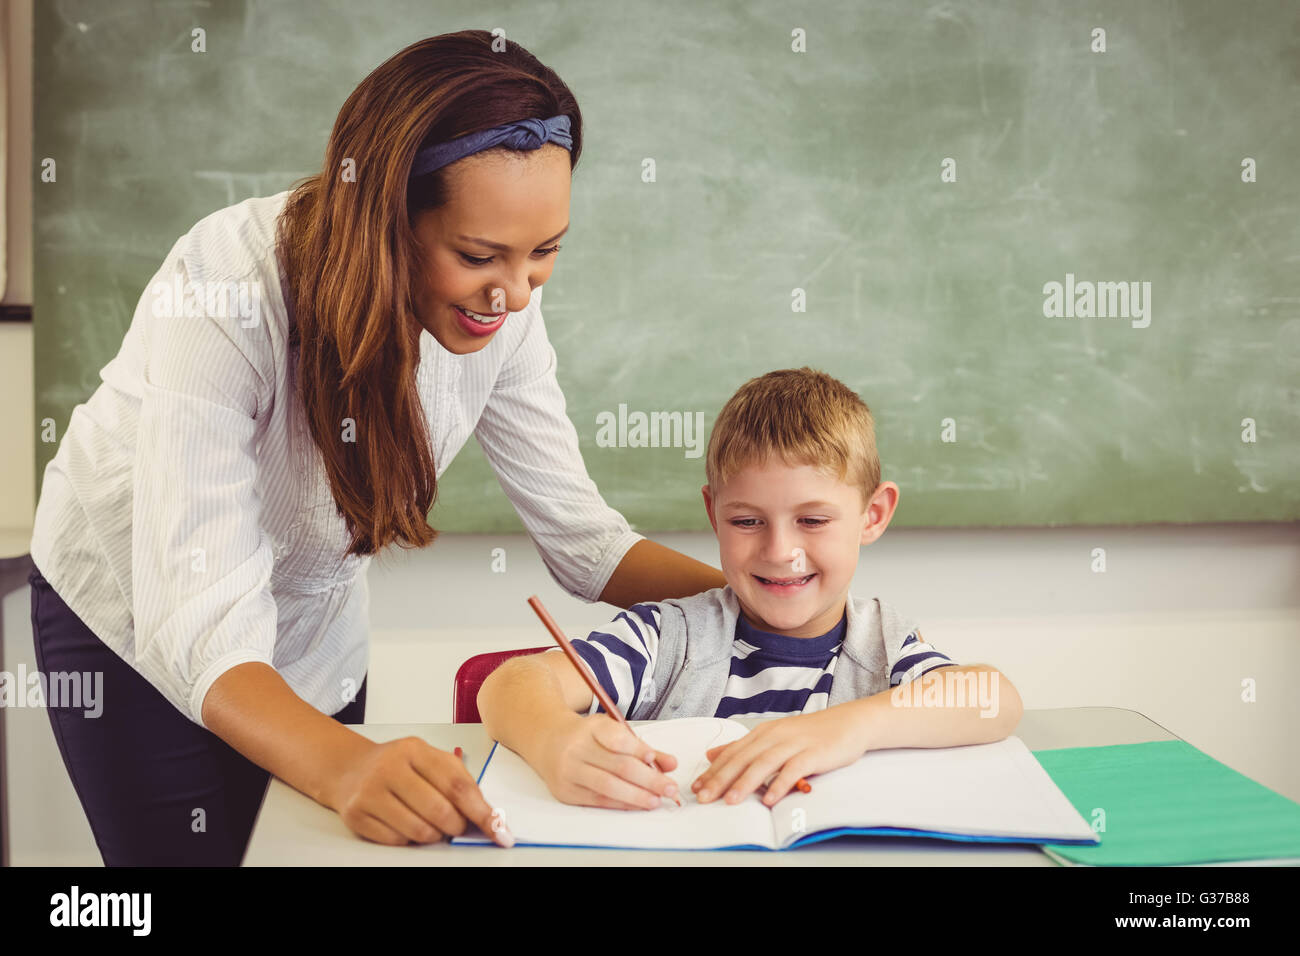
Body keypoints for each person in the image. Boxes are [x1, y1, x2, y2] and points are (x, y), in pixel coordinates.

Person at [27, 30, 725, 866]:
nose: (512, 293)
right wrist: (347, 767)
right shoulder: (221, 284)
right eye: (478, 255)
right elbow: (202, 628)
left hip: (310, 633)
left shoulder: (505, 307)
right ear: (388, 216)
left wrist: (768, 606)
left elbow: (586, 543)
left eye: (544, 255)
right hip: (136, 615)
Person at [478, 367, 1024, 810]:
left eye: (812, 521)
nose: (779, 551)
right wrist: (556, 740)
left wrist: (847, 728)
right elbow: (509, 685)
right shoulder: (664, 636)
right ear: (714, 513)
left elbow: (994, 698)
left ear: (872, 515)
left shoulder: (886, 645)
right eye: (747, 522)